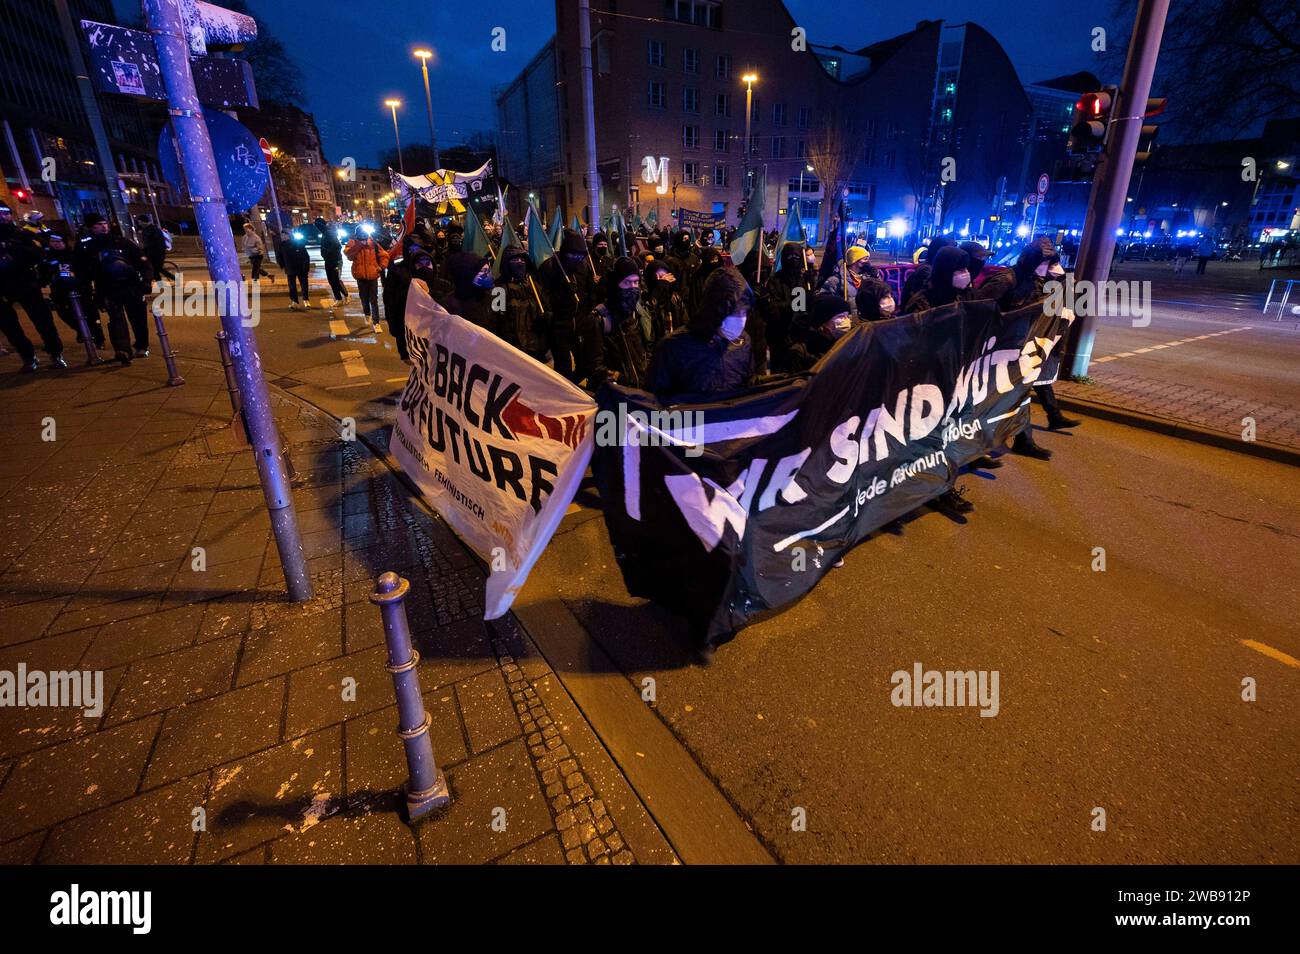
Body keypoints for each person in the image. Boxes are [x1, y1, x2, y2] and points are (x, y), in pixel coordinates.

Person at [646, 266, 755, 402]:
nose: (740, 320)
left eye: (743, 312)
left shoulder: (743, 342)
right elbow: (654, 402)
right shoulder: (672, 348)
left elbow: (748, 388)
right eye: (732, 312)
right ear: (714, 308)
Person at [78, 212, 152, 363]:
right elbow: (81, 270)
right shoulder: (87, 246)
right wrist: (89, 291)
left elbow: (142, 261)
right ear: (91, 228)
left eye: (104, 223)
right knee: (117, 320)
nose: (103, 227)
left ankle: (142, 346)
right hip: (108, 288)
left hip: (131, 286)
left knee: (138, 319)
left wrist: (146, 280)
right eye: (99, 225)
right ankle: (123, 350)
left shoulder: (122, 242)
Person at [1, 201, 66, 370]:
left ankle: (55, 353)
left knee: (43, 320)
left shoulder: (21, 234)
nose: (3, 217)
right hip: (2, 286)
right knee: (9, 326)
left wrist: (16, 258)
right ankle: (28, 356)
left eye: (6, 213)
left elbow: (39, 253)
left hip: (25, 282)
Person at [578, 256, 649, 390]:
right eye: (627, 283)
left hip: (639, 396)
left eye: (636, 282)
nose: (633, 288)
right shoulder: (599, 320)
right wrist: (620, 379)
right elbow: (593, 367)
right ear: (616, 285)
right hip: (614, 398)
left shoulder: (636, 315)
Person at [538, 229, 594, 382]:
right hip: (559, 327)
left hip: (580, 325)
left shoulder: (584, 267)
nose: (577, 259)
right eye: (573, 255)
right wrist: (562, 293)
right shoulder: (550, 266)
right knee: (564, 369)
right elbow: (543, 298)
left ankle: (572, 388)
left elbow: (590, 294)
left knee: (585, 365)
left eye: (580, 255)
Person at [42, 231, 105, 348]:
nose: (56, 244)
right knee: (65, 314)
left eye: (58, 241)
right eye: (53, 242)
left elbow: (87, 270)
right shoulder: (48, 258)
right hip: (60, 292)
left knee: (91, 314)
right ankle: (81, 330)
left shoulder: (75, 255)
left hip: (81, 289)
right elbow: (44, 275)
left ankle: (99, 339)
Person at [762, 243, 818, 371]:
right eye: (790, 256)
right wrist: (791, 305)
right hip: (780, 337)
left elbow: (809, 306)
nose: (793, 259)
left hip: (800, 337)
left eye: (796, 256)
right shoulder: (776, 280)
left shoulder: (804, 279)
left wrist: (812, 286)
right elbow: (773, 309)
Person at [495, 245, 549, 361]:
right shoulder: (499, 288)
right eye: (515, 259)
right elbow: (496, 320)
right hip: (512, 349)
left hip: (535, 346)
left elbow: (546, 306)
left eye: (522, 259)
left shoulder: (533, 285)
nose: (520, 262)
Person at [785, 291, 855, 372]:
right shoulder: (801, 352)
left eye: (846, 315)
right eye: (840, 316)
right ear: (823, 322)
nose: (846, 320)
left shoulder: (847, 345)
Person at [437, 251, 496, 334]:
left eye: (488, 271)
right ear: (467, 277)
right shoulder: (445, 308)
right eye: (484, 272)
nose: (491, 276)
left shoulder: (491, 300)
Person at [902, 246, 971, 313]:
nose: (966, 272)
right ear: (945, 271)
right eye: (960, 269)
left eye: (966, 268)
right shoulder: (921, 303)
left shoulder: (960, 295)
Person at [344, 227, 389, 329]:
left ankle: (376, 323)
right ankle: (367, 314)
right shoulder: (353, 243)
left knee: (374, 300)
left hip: (373, 275)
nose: (364, 238)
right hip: (360, 276)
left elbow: (384, 255)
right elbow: (349, 255)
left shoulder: (373, 243)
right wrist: (359, 245)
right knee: (364, 299)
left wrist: (381, 267)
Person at [637, 259, 688, 348]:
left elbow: (685, 325)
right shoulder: (644, 301)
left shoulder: (674, 299)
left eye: (664, 276)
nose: (661, 282)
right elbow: (648, 335)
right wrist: (656, 296)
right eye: (658, 277)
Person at [315, 216, 347, 306]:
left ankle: (340, 298)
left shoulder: (328, 233)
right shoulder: (325, 233)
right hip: (329, 260)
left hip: (334, 260)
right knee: (331, 280)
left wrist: (328, 253)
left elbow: (337, 246)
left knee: (334, 280)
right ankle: (340, 297)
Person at [281, 230, 312, 310]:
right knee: (292, 286)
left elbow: (306, 256)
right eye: (282, 235)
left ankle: (306, 300)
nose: (283, 237)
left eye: (285, 235)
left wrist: (306, 267)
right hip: (290, 268)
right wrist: (283, 266)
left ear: (289, 235)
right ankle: (294, 301)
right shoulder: (282, 245)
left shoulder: (298, 243)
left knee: (304, 285)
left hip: (301, 268)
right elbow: (279, 256)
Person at [136, 215, 174, 283]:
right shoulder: (145, 230)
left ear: (144, 222)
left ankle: (170, 281)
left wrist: (148, 248)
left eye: (140, 222)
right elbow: (146, 242)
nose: (139, 224)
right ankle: (161, 285)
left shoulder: (154, 229)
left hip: (158, 253)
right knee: (156, 269)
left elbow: (158, 241)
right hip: (150, 252)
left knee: (156, 269)